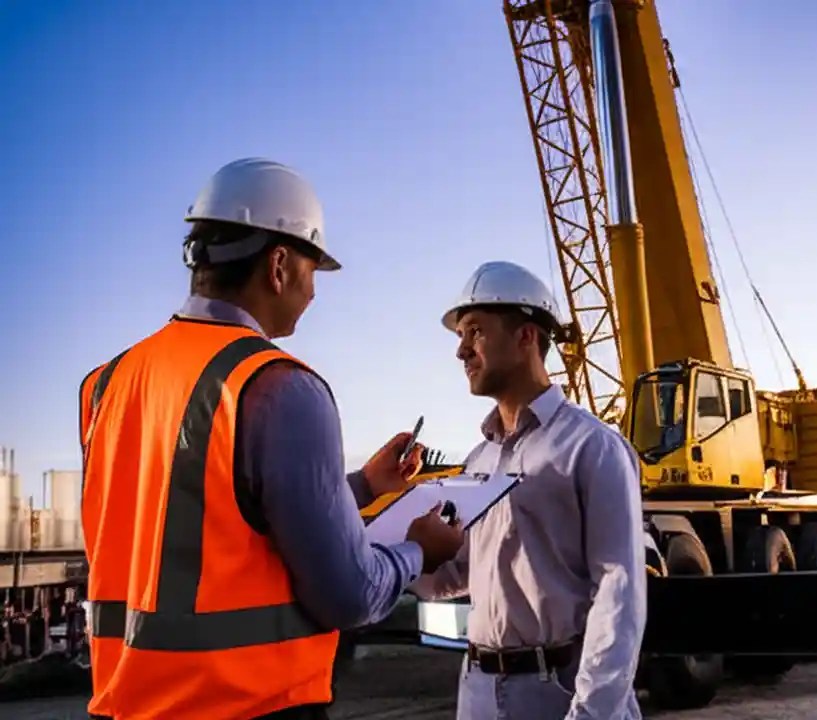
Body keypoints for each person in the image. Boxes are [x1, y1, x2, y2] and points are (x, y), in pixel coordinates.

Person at [78, 157, 465, 720]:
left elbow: (203, 516)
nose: (313, 292)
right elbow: (350, 595)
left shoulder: (105, 383)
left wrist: (360, 485)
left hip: (122, 703)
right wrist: (417, 551)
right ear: (279, 265)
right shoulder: (279, 387)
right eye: (313, 270)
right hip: (246, 705)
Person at [411, 261, 647, 720]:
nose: (462, 351)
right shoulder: (480, 460)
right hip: (477, 689)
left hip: (557, 691)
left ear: (526, 338)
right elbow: (454, 575)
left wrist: (593, 711)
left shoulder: (592, 448)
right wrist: (392, 546)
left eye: (475, 332)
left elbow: (619, 593)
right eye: (461, 336)